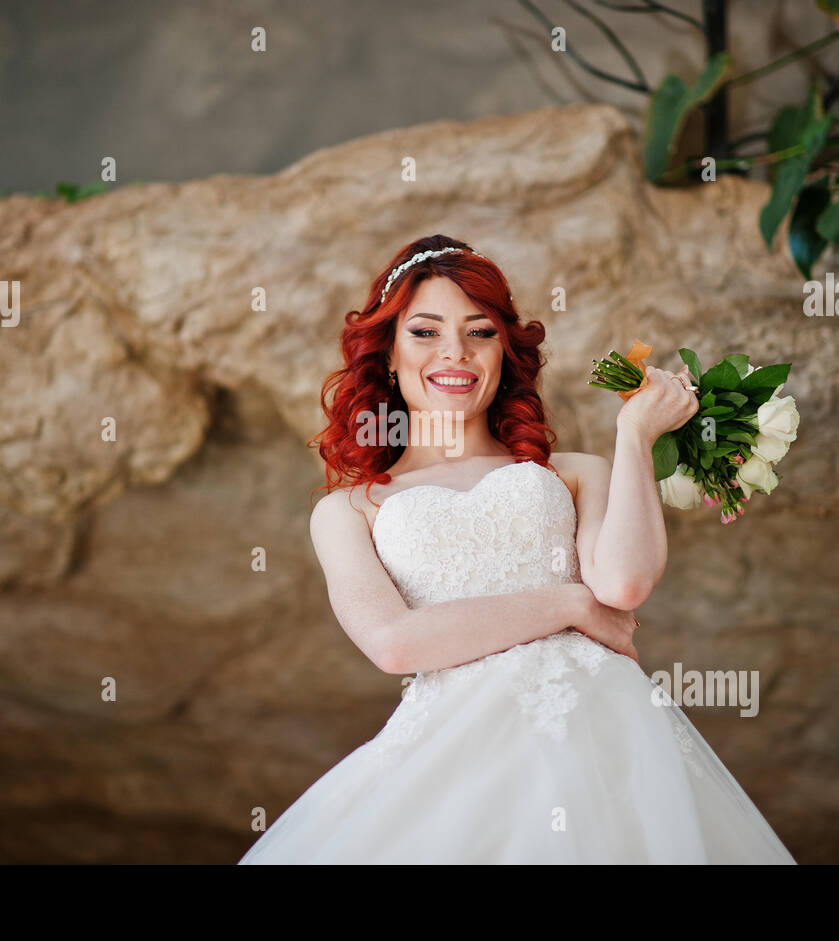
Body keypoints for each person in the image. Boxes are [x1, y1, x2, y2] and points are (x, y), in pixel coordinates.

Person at [238, 235, 796, 864]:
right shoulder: (349, 509)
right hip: (457, 750)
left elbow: (624, 585)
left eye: (479, 332)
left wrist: (636, 435)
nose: (455, 351)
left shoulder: (573, 471)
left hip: (605, 735)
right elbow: (394, 644)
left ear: (504, 351)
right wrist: (569, 605)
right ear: (388, 353)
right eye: (425, 332)